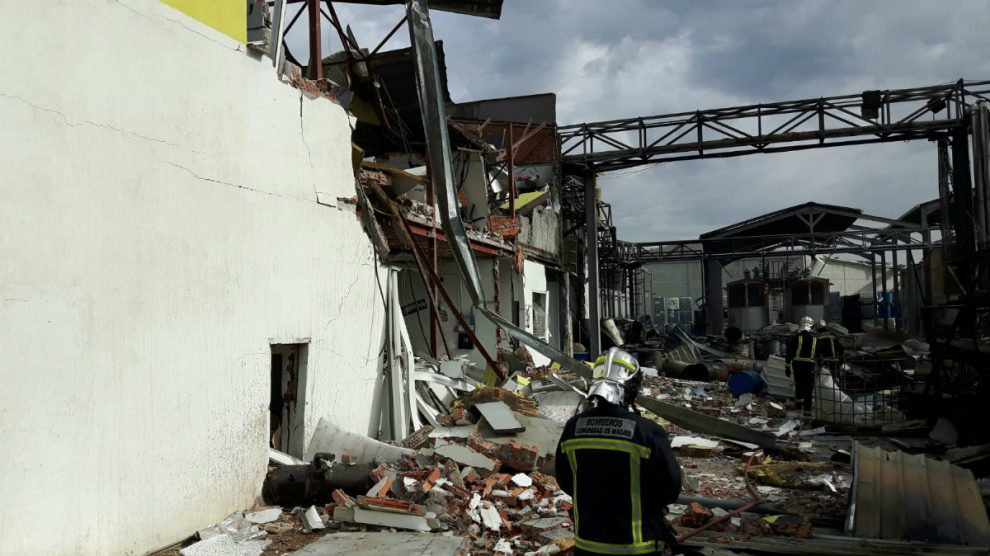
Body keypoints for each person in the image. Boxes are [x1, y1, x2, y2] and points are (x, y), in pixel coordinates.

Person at [555, 348, 682, 555]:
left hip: (588, 546)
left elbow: (567, 481)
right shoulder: (648, 432)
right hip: (638, 547)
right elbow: (670, 488)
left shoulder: (573, 428)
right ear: (632, 387)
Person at [785, 317, 817, 412]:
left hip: (797, 366)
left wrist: (787, 368)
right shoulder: (815, 340)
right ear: (811, 326)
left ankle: (798, 408)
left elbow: (789, 354)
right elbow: (820, 354)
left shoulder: (795, 339)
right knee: (808, 390)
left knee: (799, 387)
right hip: (810, 367)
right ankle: (807, 411)